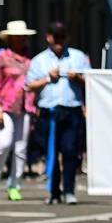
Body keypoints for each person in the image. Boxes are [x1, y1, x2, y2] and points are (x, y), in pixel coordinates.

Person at [25, 21, 90, 205]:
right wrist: (47, 79)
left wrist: (78, 78)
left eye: (62, 36)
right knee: (51, 151)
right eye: (56, 37)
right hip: (48, 111)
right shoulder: (39, 60)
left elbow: (91, 81)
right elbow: (29, 85)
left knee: (70, 150)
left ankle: (69, 190)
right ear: (49, 38)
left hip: (71, 110)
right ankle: (54, 192)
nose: (59, 41)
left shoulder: (78, 57)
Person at [0, 21, 36, 202]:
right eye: (17, 36)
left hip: (25, 107)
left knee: (20, 148)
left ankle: (15, 184)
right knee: (4, 143)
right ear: (11, 38)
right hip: (5, 107)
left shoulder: (30, 60)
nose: (21, 39)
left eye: (23, 36)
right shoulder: (2, 57)